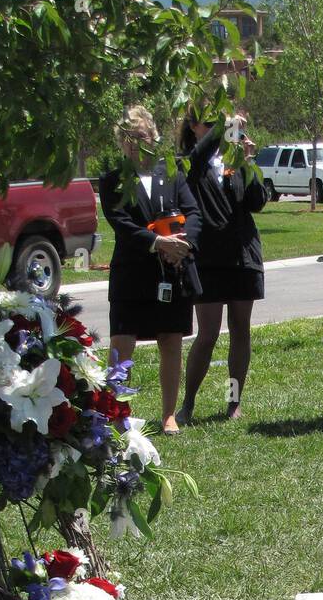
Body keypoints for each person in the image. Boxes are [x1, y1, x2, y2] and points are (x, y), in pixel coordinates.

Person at [98, 105, 201, 435]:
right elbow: (122, 223)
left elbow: (193, 212)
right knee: (121, 343)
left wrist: (183, 245)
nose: (135, 143)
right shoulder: (113, 180)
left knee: (171, 341)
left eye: (141, 136)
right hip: (132, 275)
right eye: (128, 138)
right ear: (121, 143)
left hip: (171, 273)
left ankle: (169, 415)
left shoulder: (171, 172)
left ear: (153, 137)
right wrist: (159, 244)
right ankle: (115, 413)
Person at [175, 112, 267, 424]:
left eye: (219, 123)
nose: (215, 129)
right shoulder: (190, 163)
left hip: (243, 255)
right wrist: (225, 128)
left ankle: (233, 401)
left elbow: (257, 202)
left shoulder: (236, 160)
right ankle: (188, 404)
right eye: (208, 123)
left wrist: (248, 162)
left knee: (241, 329)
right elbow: (198, 157)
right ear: (192, 126)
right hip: (209, 260)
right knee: (208, 333)